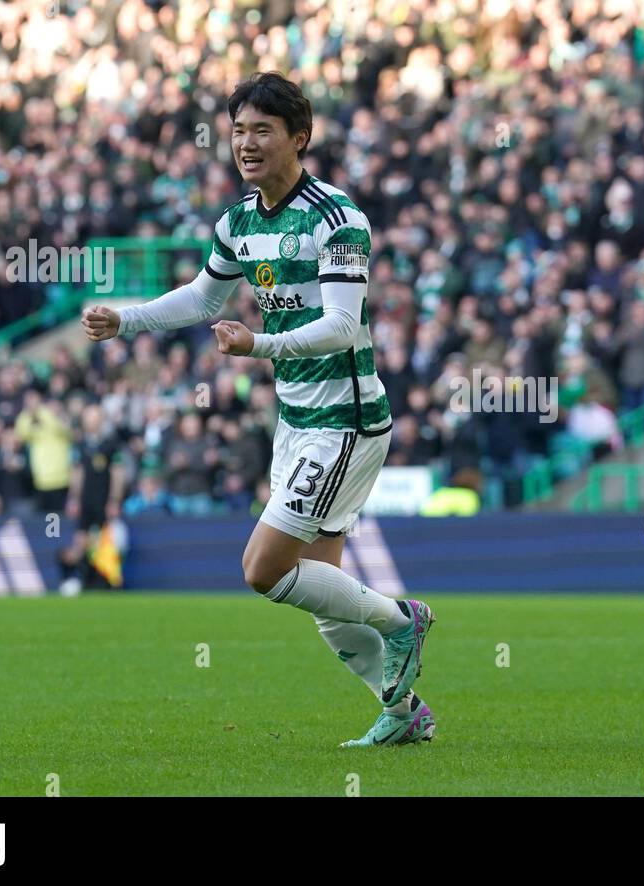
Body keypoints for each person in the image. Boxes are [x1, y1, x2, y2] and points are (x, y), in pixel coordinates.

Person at [81, 73, 435, 747]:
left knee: (263, 570)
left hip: (346, 420)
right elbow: (201, 299)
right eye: (238, 129)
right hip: (298, 422)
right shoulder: (239, 222)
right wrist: (125, 321)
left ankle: (400, 619)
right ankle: (402, 712)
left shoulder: (337, 219)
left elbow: (340, 324)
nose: (246, 142)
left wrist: (258, 344)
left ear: (298, 138)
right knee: (325, 595)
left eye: (261, 130)